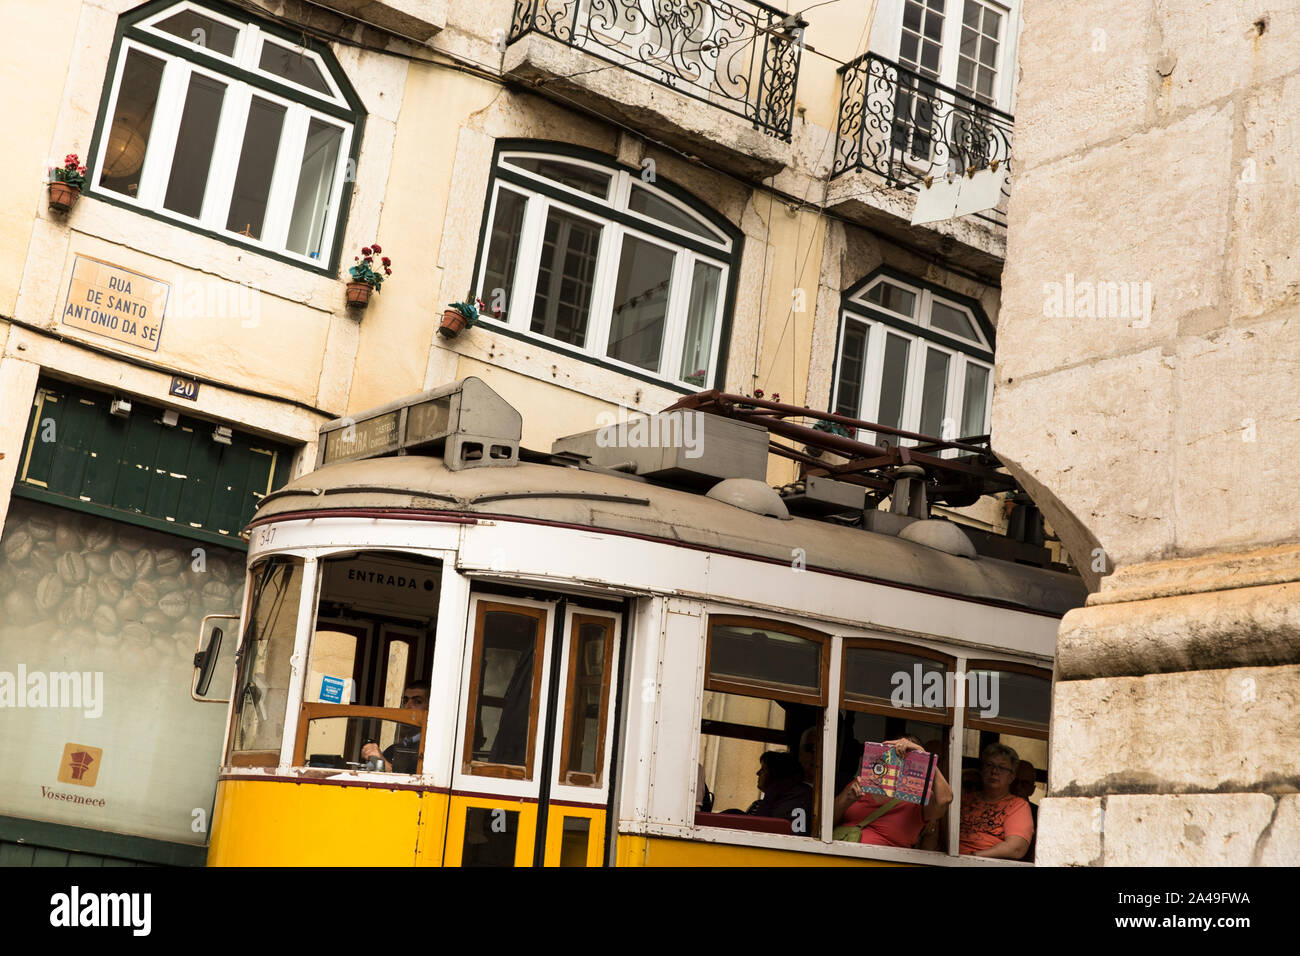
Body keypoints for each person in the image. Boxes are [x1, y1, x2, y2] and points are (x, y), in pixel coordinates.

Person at [833, 735, 952, 848]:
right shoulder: (862, 783)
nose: (898, 762)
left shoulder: (918, 798)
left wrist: (925, 756)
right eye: (895, 754)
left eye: (909, 757)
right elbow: (827, 821)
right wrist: (847, 799)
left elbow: (945, 799)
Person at [959, 743, 1035, 858]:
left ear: (1012, 776)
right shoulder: (964, 799)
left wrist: (974, 857)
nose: (994, 771)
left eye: (1002, 768)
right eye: (990, 765)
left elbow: (1016, 848)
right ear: (982, 769)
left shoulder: (1018, 806)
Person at [361, 681, 429, 773]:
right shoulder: (392, 749)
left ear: (430, 707)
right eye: (405, 701)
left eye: (417, 702)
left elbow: (414, 783)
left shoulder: (430, 750)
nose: (407, 706)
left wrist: (383, 764)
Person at [748, 751, 813, 830]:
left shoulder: (798, 797)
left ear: (776, 773)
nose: (758, 773)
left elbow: (767, 829)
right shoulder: (775, 797)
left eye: (763, 769)